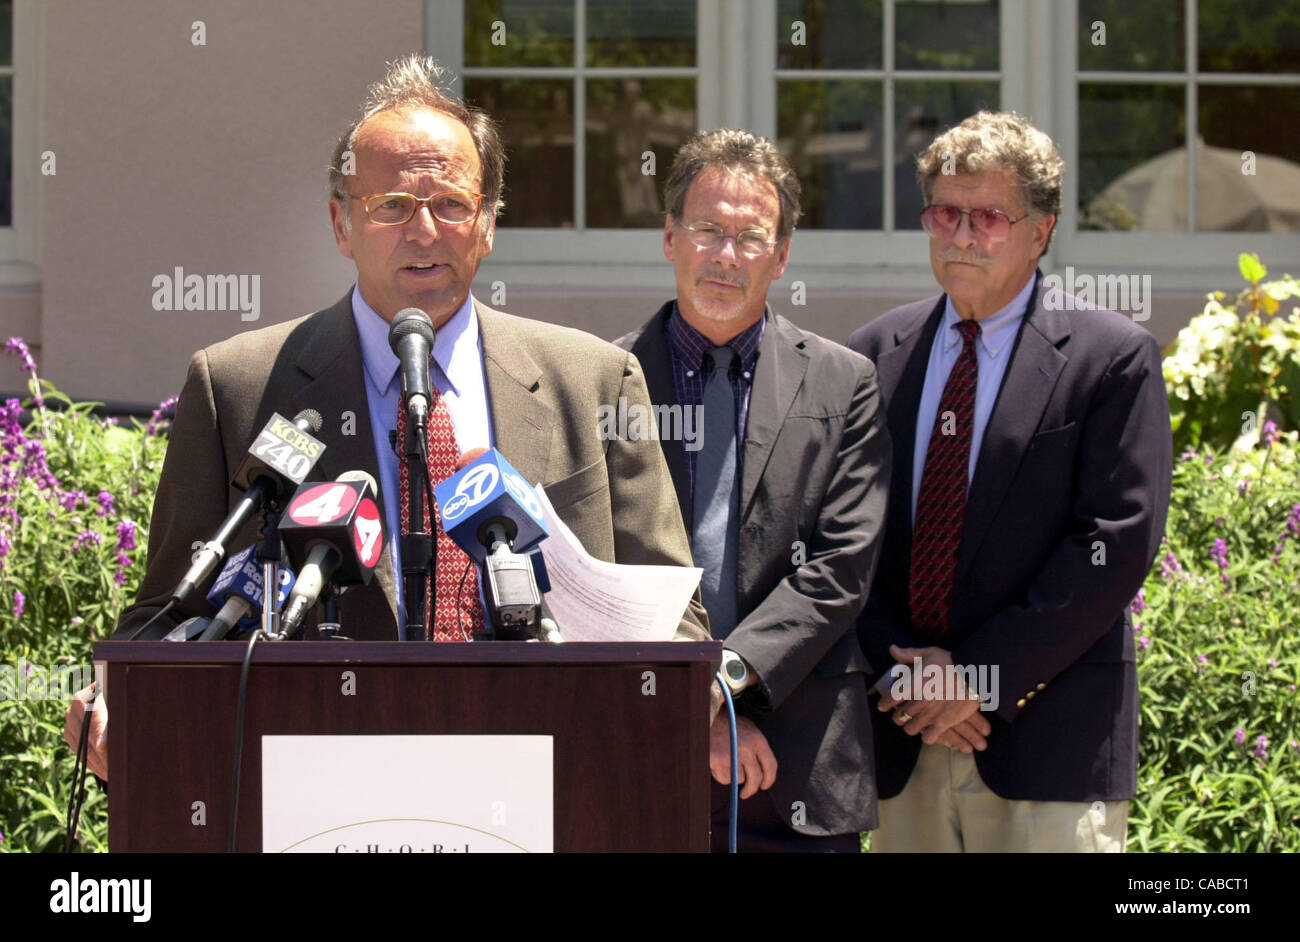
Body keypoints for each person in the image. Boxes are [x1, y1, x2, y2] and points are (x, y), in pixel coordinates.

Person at [64, 55, 709, 780]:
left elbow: (673, 616)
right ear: (342, 224)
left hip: (551, 776)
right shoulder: (238, 387)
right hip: (323, 779)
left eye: (452, 205)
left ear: (490, 223)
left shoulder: (594, 382)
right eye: (391, 206)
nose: (424, 231)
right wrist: (121, 691)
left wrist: (699, 698)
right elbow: (166, 613)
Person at [847, 111, 1171, 852]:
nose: (962, 235)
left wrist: (976, 679)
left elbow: (1112, 545)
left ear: (1042, 229)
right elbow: (841, 536)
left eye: (989, 216)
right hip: (906, 739)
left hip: (1046, 742)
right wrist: (912, 682)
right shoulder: (872, 357)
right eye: (945, 213)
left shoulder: (1111, 359)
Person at [616, 129, 891, 852]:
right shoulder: (605, 379)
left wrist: (718, 691)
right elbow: (595, 564)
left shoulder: (845, 382)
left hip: (798, 763)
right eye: (707, 229)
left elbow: (840, 571)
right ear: (670, 235)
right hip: (639, 757)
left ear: (782, 255)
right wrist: (688, 709)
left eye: (750, 236)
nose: (726, 255)